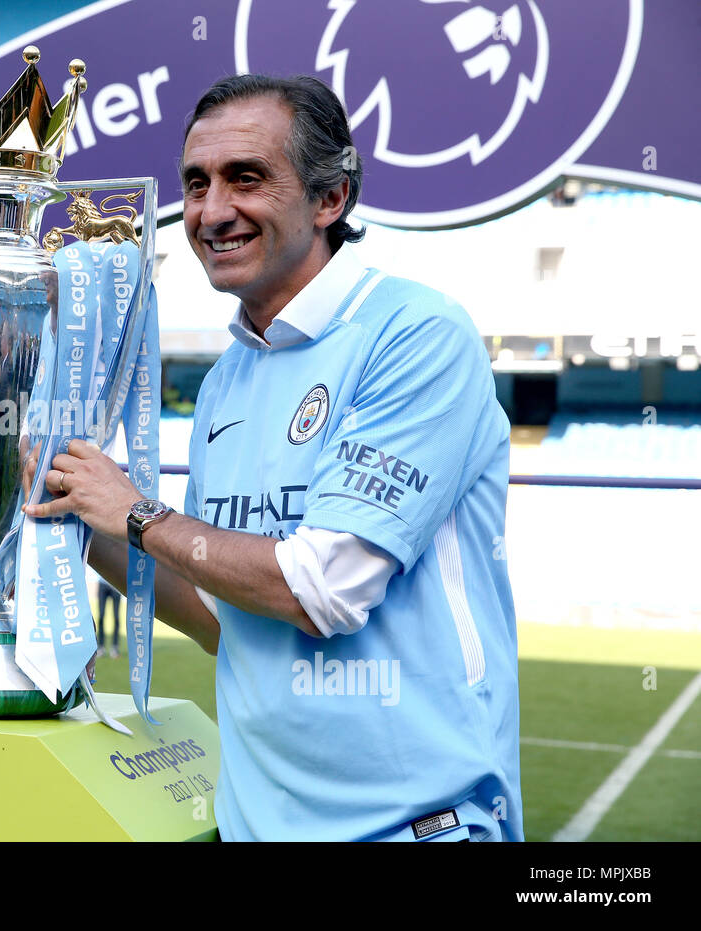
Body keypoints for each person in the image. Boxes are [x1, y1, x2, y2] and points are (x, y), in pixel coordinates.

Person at [26, 74, 522, 842]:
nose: (212, 210)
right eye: (196, 184)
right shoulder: (230, 375)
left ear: (332, 198)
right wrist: (73, 512)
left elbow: (321, 590)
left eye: (245, 178)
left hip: (409, 830)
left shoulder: (416, 332)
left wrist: (135, 511)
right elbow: (230, 620)